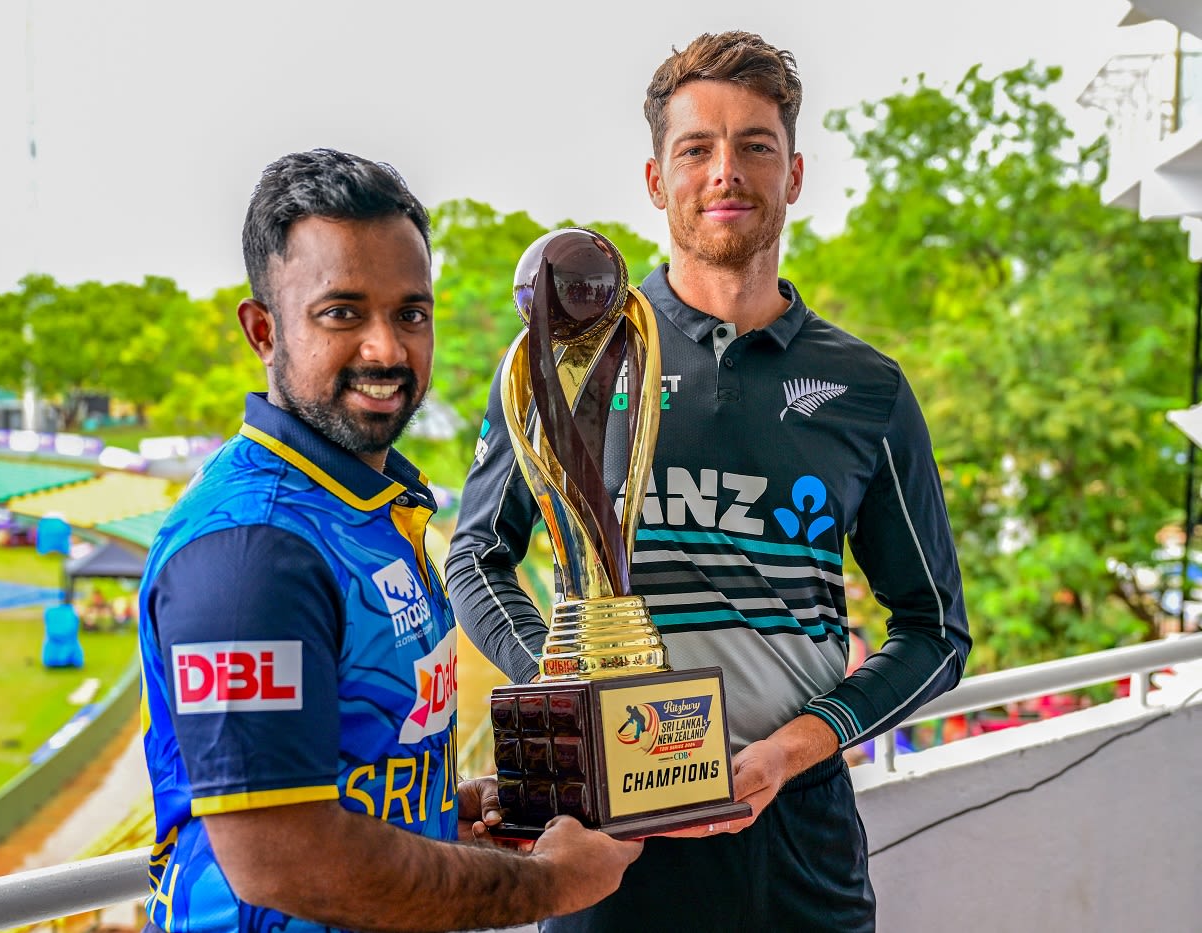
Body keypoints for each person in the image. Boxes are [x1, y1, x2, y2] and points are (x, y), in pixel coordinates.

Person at [445, 31, 972, 932]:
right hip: (606, 837)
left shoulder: (868, 388)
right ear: (657, 181)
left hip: (799, 833)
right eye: (696, 148)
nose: (725, 171)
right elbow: (476, 556)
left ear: (794, 173)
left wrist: (789, 751)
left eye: (754, 146)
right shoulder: (571, 361)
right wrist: (579, 689)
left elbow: (935, 631)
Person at [137, 148, 641, 933]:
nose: (387, 349)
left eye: (411, 312)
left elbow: (344, 776)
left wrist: (445, 810)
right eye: (342, 312)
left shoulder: (368, 510)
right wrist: (546, 884)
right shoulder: (252, 550)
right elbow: (282, 854)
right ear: (263, 330)